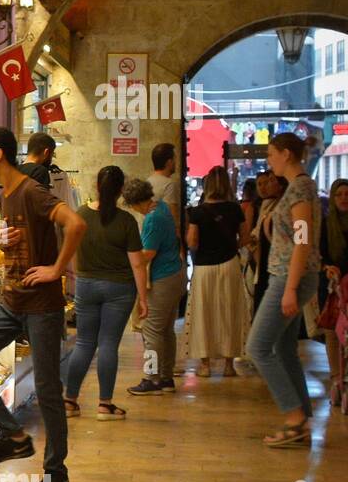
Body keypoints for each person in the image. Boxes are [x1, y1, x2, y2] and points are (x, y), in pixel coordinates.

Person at [0, 127, 86, 482]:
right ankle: (13, 435)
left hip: (42, 306)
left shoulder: (31, 191)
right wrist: (7, 239)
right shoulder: (8, 195)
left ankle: (55, 472)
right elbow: (27, 236)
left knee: (47, 390)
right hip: (13, 303)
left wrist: (57, 269)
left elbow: (76, 224)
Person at [246, 132, 322, 448]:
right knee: (282, 348)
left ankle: (294, 418)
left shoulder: (301, 189)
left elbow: (302, 241)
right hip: (287, 275)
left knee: (258, 347)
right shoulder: (296, 189)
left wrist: (290, 288)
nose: (268, 161)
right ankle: (301, 416)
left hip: (288, 277)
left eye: (271, 155)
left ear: (287, 154)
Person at [63, 166, 148, 420]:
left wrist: (78, 279)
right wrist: (143, 298)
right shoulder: (126, 221)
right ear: (121, 190)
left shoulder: (81, 215)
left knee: (84, 343)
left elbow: (73, 254)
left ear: (97, 186)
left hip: (86, 286)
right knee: (109, 344)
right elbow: (136, 263)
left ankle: (69, 401)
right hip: (120, 289)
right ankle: (104, 405)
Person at [186, 166, 250, 377]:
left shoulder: (197, 212)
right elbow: (245, 238)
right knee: (229, 312)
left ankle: (205, 365)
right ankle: (229, 364)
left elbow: (193, 242)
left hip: (204, 268)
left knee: (204, 312)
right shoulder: (235, 209)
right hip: (229, 264)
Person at [124, 178, 186, 396]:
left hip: (162, 277)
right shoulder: (163, 208)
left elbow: (147, 255)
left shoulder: (152, 218)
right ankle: (166, 377)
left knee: (151, 330)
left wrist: (127, 255)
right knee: (166, 330)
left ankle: (151, 379)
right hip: (175, 274)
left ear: (136, 202)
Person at [319, 178, 348, 401]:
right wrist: (326, 267)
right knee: (332, 332)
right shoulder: (325, 225)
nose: (343, 199)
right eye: (339, 194)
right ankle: (336, 377)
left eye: (347, 194)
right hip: (332, 285)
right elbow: (317, 253)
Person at [252, 171, 289, 316]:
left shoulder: (296, 200)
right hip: (270, 266)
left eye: (271, 180)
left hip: (281, 269)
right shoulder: (270, 206)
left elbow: (301, 240)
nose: (267, 185)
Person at [19, 131, 79, 211]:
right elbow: (42, 206)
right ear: (46, 152)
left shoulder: (16, 169)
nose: (51, 160)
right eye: (51, 155)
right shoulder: (40, 171)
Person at [147, 142, 182, 238]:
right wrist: (179, 246)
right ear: (169, 162)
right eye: (174, 159)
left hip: (150, 236)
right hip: (165, 239)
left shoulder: (147, 182)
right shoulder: (170, 184)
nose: (176, 163)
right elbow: (172, 217)